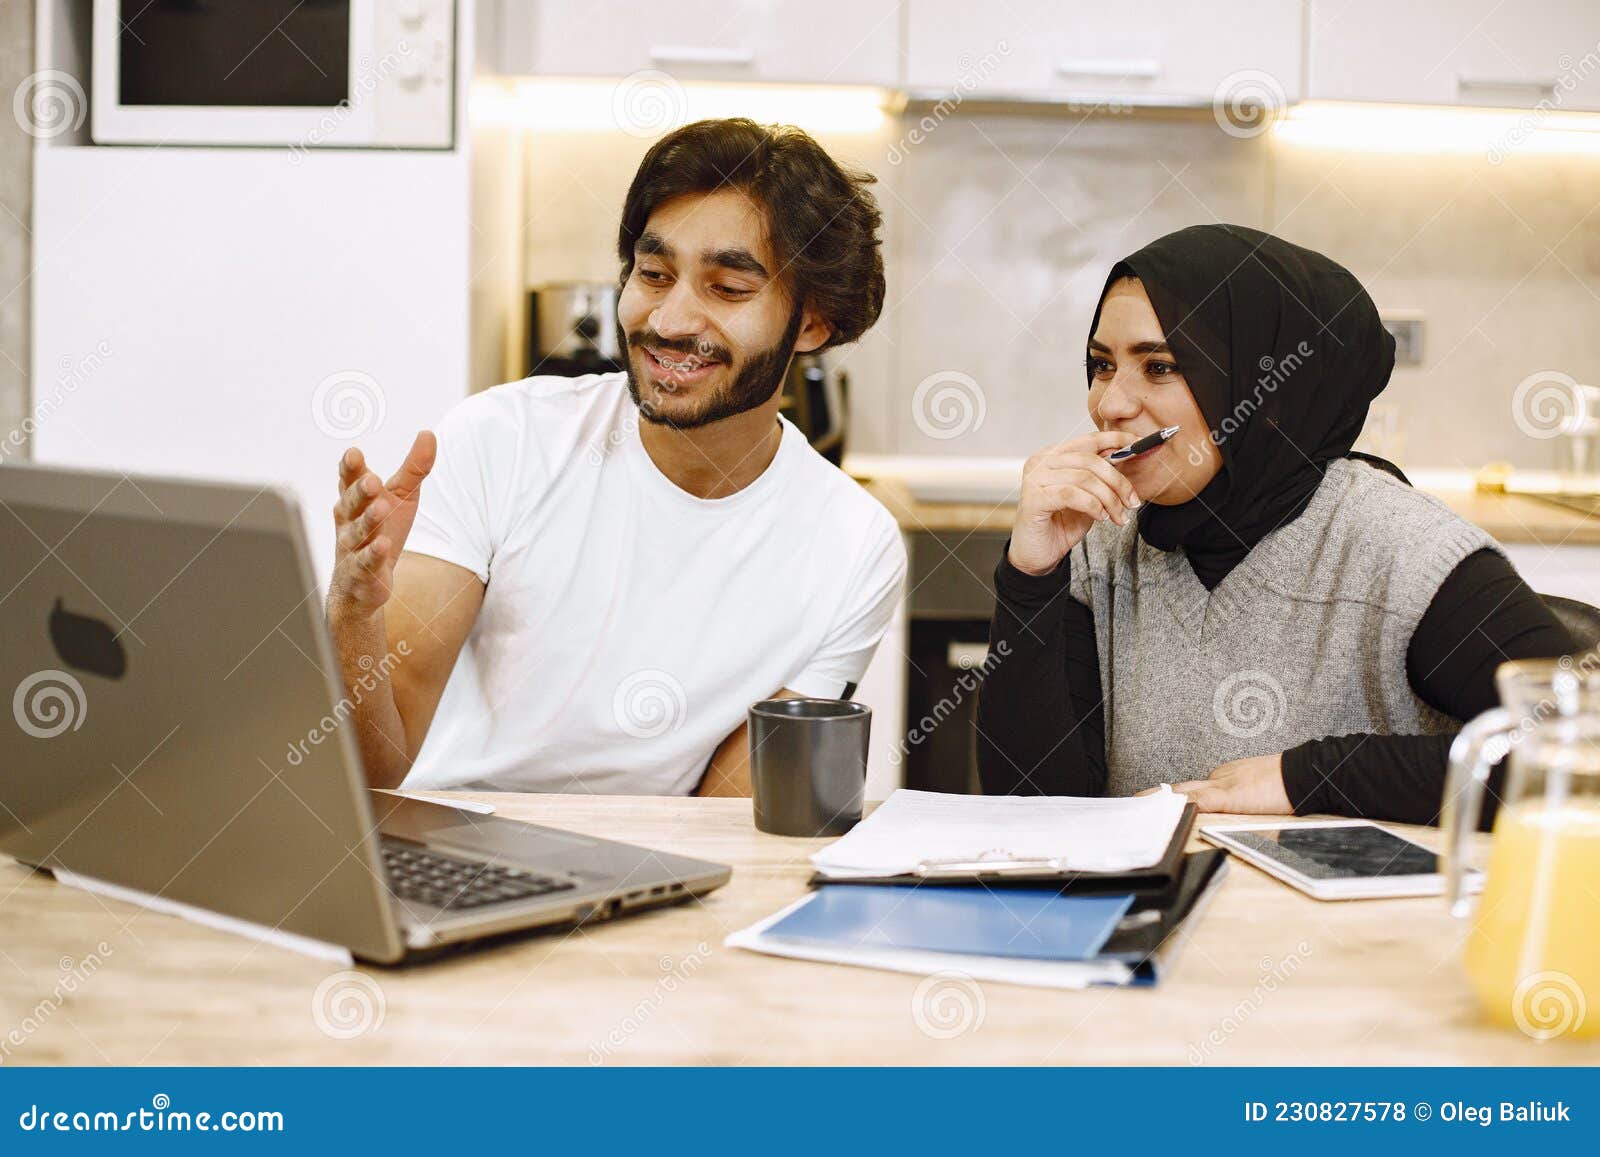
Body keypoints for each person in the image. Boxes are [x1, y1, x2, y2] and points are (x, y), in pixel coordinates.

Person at [324, 118, 906, 796]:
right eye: (654, 274)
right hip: (458, 854)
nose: (670, 319)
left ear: (812, 321)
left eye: (727, 288)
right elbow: (374, 770)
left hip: (658, 878)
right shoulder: (499, 440)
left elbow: (730, 824)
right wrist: (352, 613)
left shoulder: (854, 546)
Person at [976, 223, 1574, 827]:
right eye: (1102, 366)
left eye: (1160, 367)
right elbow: (1031, 812)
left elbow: (1573, 746)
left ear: (1263, 389)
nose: (1110, 404)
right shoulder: (1098, 541)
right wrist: (1031, 577)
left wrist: (1312, 777)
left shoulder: (1399, 545)